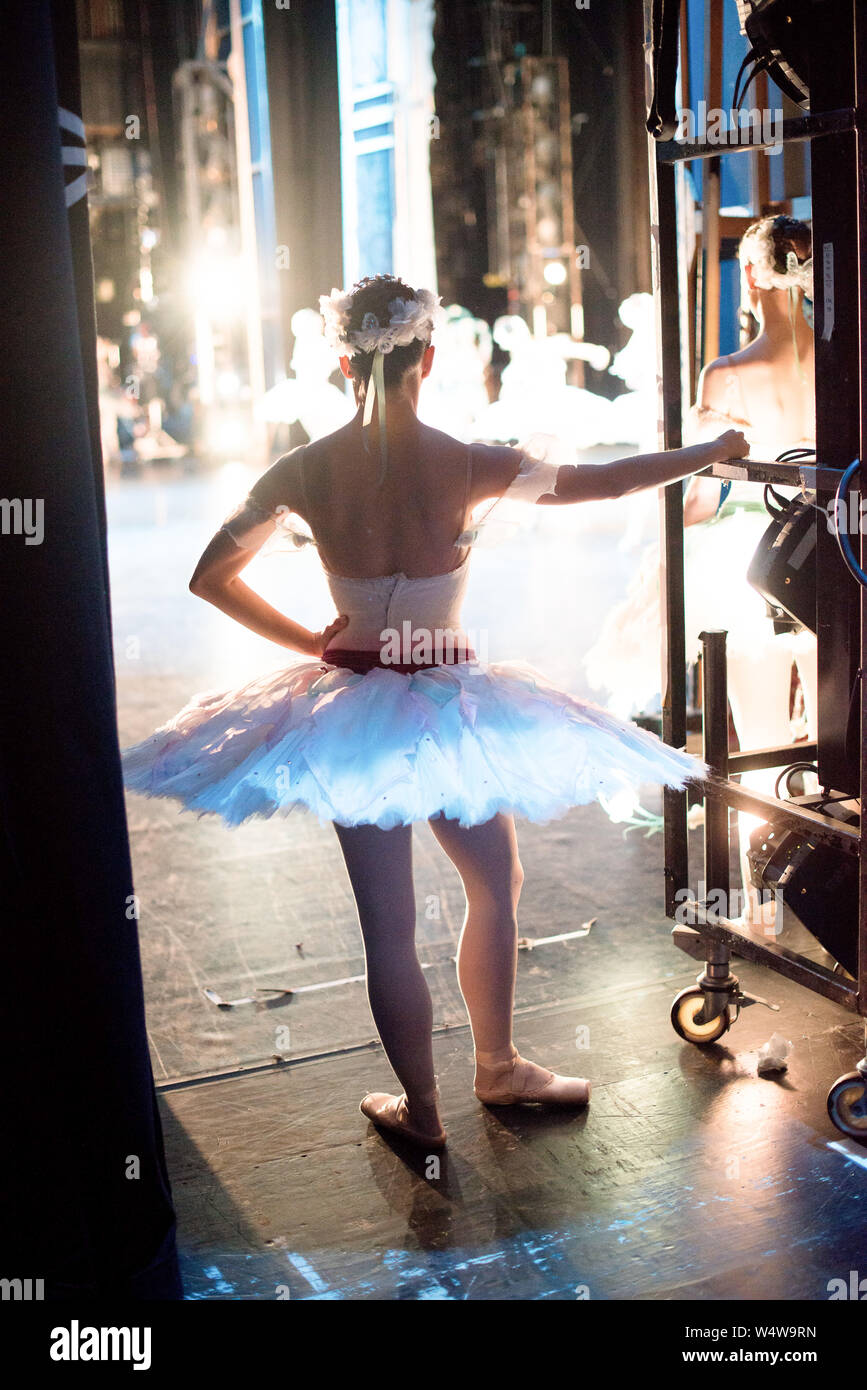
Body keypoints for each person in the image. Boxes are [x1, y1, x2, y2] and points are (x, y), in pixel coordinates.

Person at [122, 275, 746, 1150]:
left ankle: (424, 1111)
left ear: (343, 363)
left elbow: (208, 576)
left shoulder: (301, 469)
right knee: (496, 885)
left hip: (351, 712)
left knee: (391, 930)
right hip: (453, 704)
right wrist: (705, 449)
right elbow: (602, 483)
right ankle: (496, 1066)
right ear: (429, 358)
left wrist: (312, 641)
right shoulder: (465, 459)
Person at [682, 214, 815, 929]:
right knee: (830, 730)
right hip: (830, 560)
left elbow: (701, 499)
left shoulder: (726, 373)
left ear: (751, 275)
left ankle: (758, 904)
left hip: (752, 563)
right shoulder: (840, 361)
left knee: (753, 743)